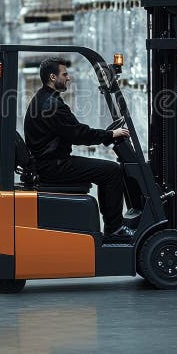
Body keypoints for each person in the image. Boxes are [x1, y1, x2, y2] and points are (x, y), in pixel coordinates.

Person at [23, 57, 134, 241]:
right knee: (112, 171)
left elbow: (75, 131)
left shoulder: (44, 99)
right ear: (52, 77)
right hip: (54, 166)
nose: (68, 78)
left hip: (48, 163)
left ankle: (113, 228)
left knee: (107, 170)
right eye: (64, 74)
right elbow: (78, 134)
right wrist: (111, 135)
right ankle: (114, 230)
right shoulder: (52, 105)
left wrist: (106, 135)